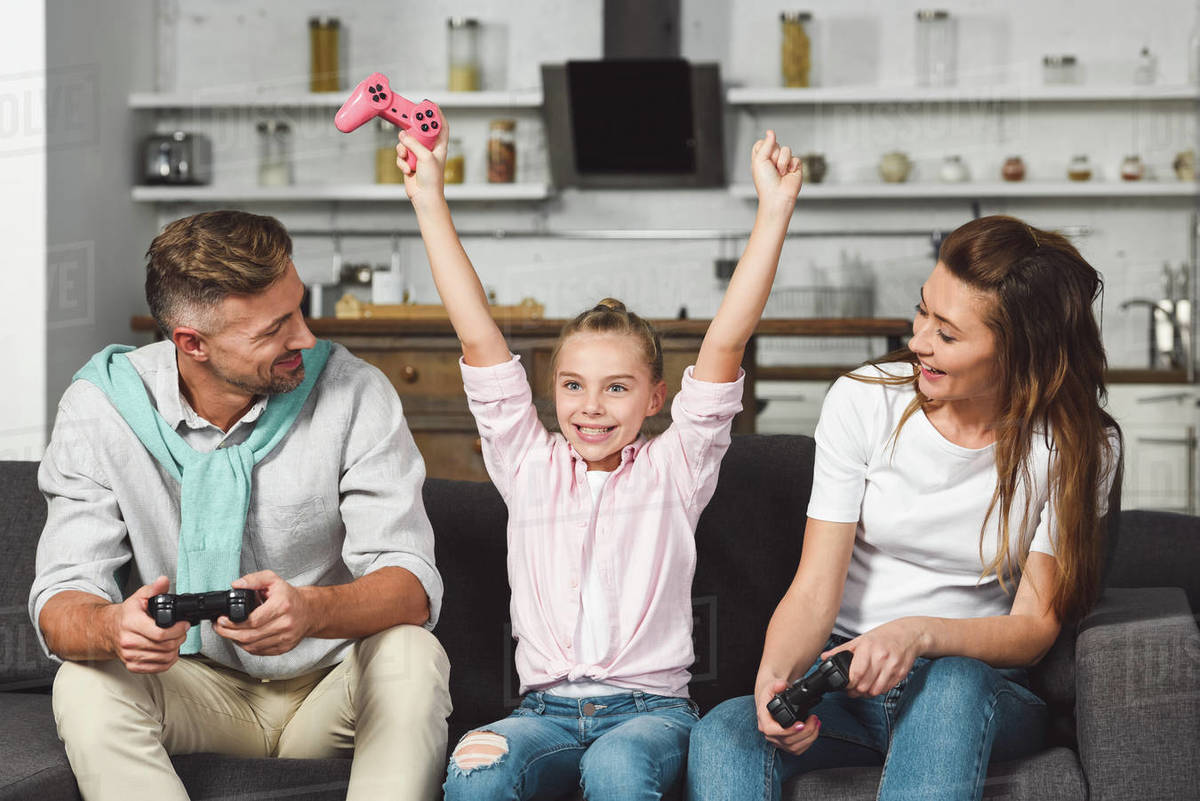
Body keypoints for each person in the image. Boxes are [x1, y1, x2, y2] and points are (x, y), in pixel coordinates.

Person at [393, 116, 802, 800]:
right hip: (541, 715)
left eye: (617, 388)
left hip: (650, 714)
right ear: (550, 391)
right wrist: (429, 198)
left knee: (615, 771)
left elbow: (727, 340)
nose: (591, 407)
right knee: (474, 767)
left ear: (654, 399)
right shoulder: (526, 462)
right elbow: (476, 330)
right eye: (573, 386)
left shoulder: (677, 468)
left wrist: (774, 212)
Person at [686, 215, 1121, 801]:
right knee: (725, 732)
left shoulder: (1077, 445)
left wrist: (916, 635)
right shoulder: (865, 399)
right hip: (847, 682)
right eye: (922, 312)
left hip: (978, 688)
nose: (918, 341)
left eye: (948, 333)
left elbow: (1034, 628)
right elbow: (816, 589)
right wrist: (776, 677)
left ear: (1022, 351)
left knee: (952, 685)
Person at [29, 210, 452, 801]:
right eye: (274, 328)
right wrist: (111, 625)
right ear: (192, 344)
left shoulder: (356, 391)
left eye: (298, 309)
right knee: (83, 680)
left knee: (413, 653)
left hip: (332, 689)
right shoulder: (100, 407)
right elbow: (61, 597)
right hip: (193, 691)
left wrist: (309, 610)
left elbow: (409, 585)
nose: (305, 337)